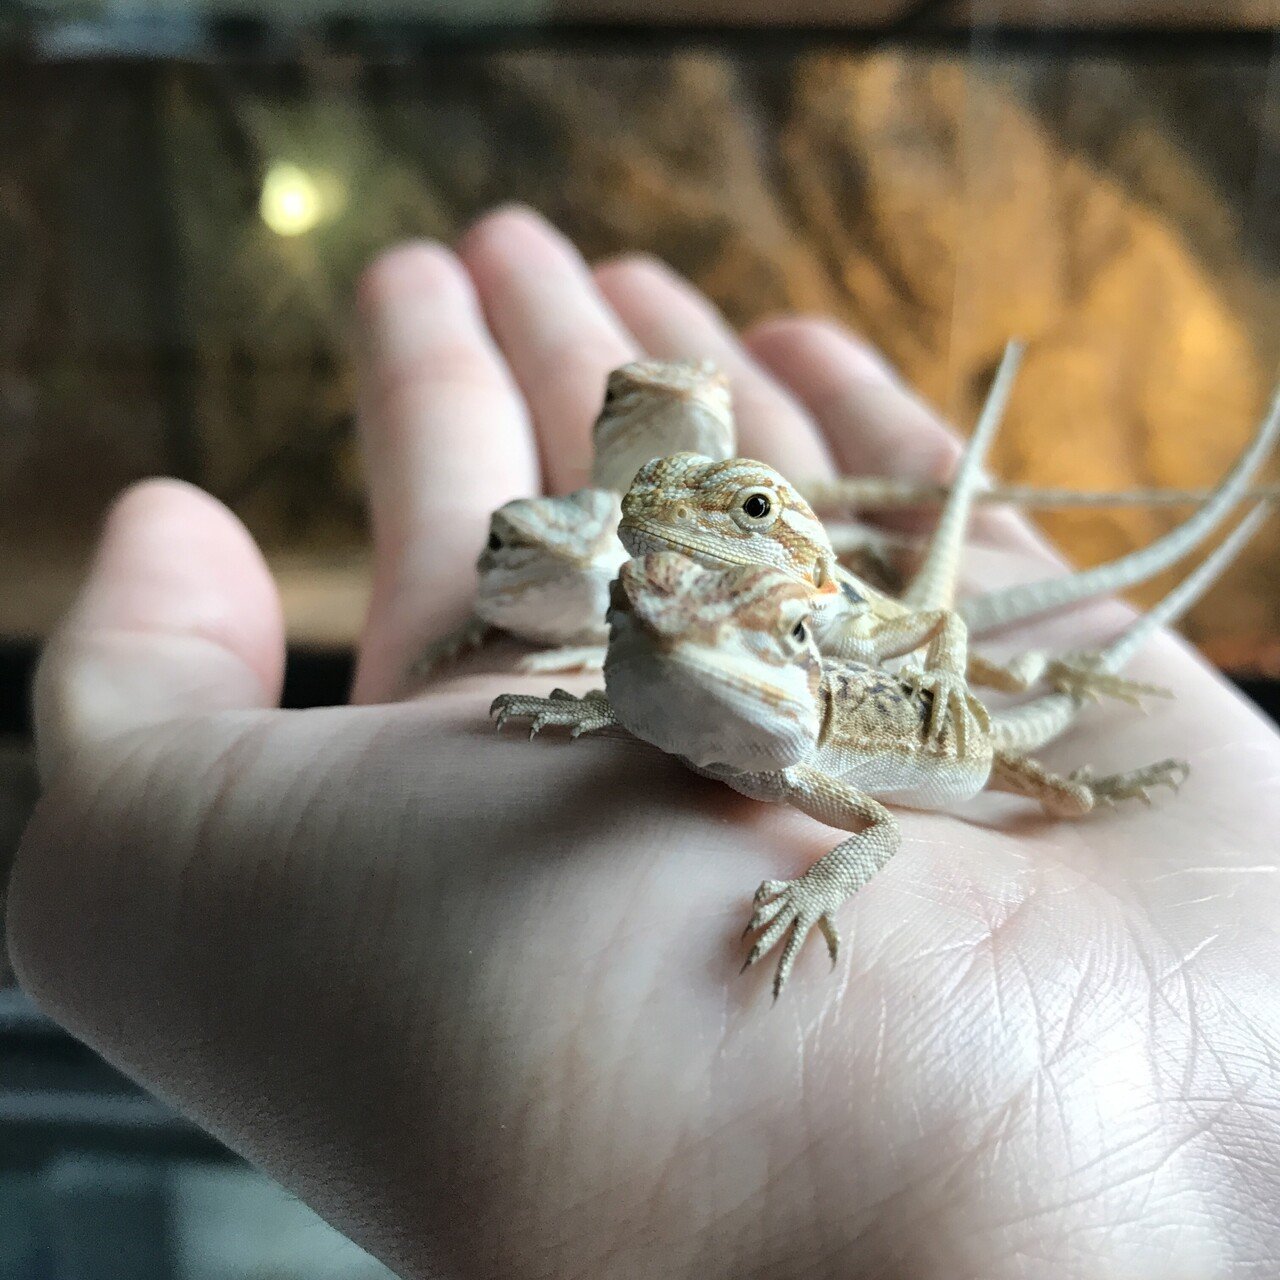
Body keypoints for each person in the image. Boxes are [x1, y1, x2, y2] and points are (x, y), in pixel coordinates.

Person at [10, 207, 1280, 1278]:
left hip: (926, 711)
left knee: (1029, 733)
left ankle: (1073, 685)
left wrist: (954, 802)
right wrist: (597, 697)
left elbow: (882, 797)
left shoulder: (809, 726)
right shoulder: (691, 662)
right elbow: (676, 698)